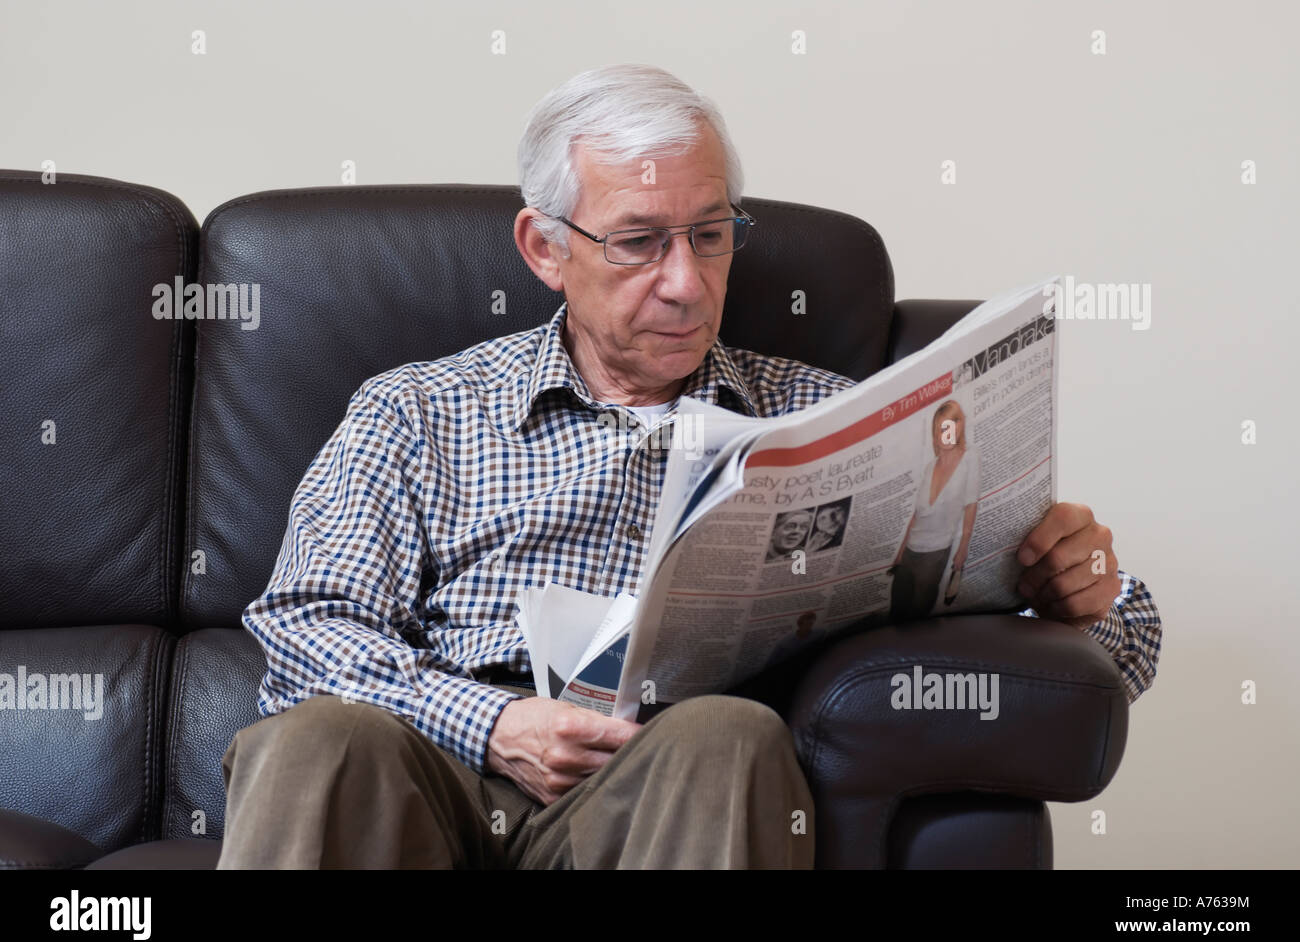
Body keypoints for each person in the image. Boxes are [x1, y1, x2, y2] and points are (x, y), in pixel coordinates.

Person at [217, 64, 1163, 870]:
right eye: (639, 242)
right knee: (317, 740)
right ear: (545, 248)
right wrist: (493, 725)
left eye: (710, 236)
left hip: (667, 790)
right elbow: (303, 633)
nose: (684, 281)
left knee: (728, 733)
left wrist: (1090, 590)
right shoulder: (417, 411)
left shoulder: (827, 415)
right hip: (433, 776)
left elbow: (1108, 664)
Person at [889, 401, 979, 621]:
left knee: (919, 612)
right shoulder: (930, 467)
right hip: (910, 550)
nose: (946, 433)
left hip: (936, 552)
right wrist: (900, 553)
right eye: (941, 428)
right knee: (897, 608)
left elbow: (971, 505)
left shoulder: (970, 458)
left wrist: (963, 548)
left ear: (960, 426)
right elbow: (916, 516)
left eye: (951, 424)